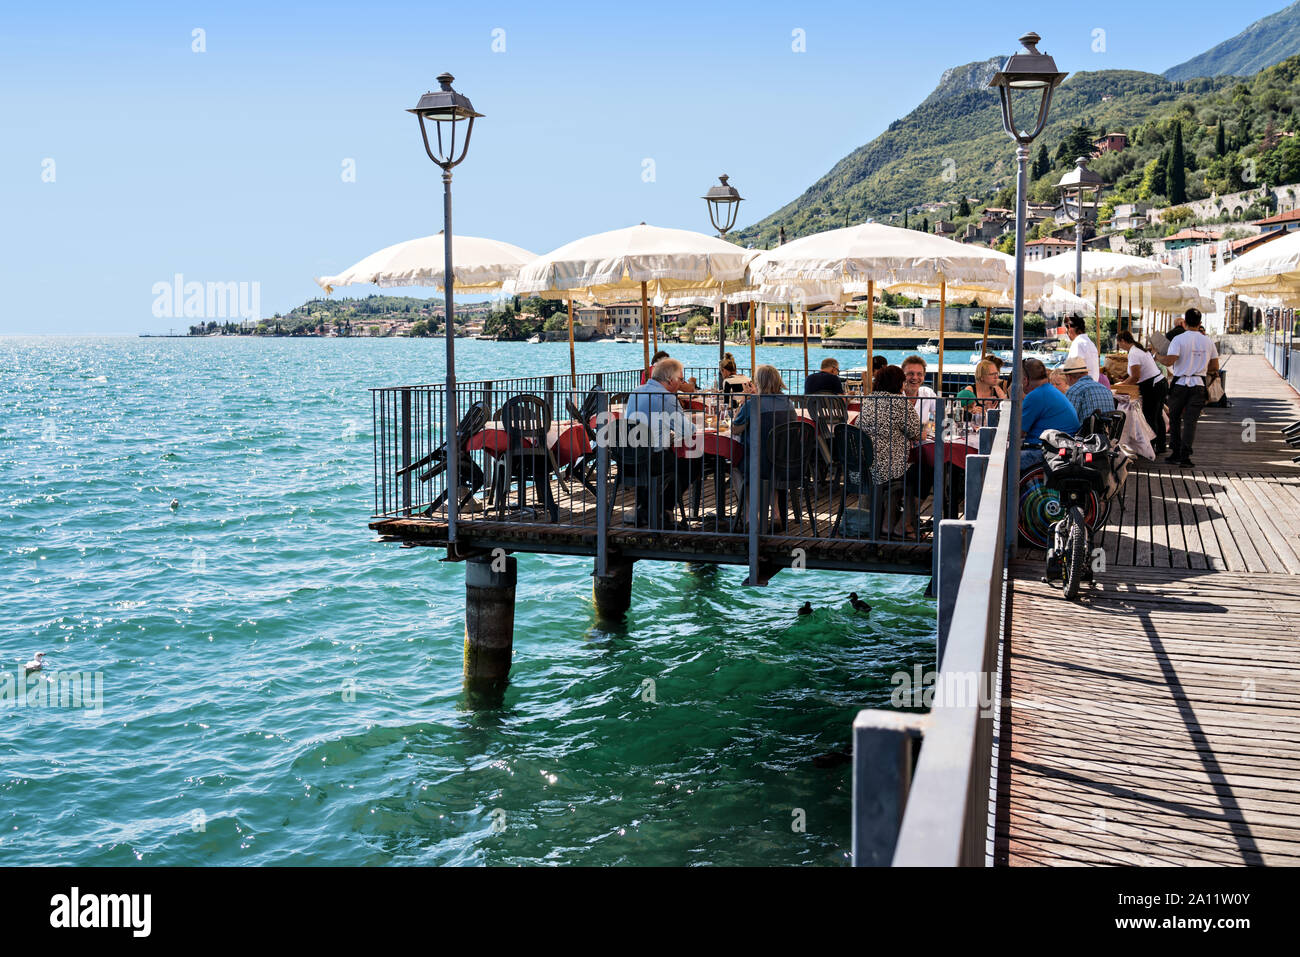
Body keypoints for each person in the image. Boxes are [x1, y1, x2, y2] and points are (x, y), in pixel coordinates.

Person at [624, 358, 702, 525]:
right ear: (670, 380)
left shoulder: (635, 392)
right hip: (652, 460)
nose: (681, 383)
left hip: (628, 458)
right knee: (695, 461)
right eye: (681, 380)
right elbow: (688, 431)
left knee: (664, 454)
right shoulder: (667, 398)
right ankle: (663, 508)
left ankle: (645, 508)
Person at [859, 365, 922, 535]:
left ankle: (888, 522)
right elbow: (916, 433)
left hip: (861, 469)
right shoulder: (900, 403)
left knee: (906, 472)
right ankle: (904, 523)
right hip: (886, 469)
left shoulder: (868, 401)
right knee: (923, 472)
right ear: (899, 383)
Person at [1158, 307, 1219, 468]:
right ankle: (1185, 456)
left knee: (1175, 419)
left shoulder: (1179, 340)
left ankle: (1176, 453)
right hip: (1198, 385)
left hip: (1179, 384)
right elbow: (1214, 367)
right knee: (1191, 422)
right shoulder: (1208, 341)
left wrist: (1158, 357)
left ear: (1184, 322)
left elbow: (1170, 361)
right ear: (1200, 323)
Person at [1019, 357, 1080, 473]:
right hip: (1063, 450)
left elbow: (1017, 433)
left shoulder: (1035, 396)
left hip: (1048, 453)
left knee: (1003, 463)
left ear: (1025, 380)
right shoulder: (1048, 391)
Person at [1114, 330, 1167, 454]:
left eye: (1119, 344)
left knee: (1150, 416)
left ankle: (1151, 447)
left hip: (1154, 386)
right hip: (1159, 384)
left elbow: (1135, 377)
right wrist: (1124, 381)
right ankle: (1160, 446)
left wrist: (1121, 385)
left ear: (1122, 341)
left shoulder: (1134, 353)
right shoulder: (1139, 350)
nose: (1120, 346)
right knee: (1157, 416)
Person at [1061, 355, 1116, 424]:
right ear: (1086, 373)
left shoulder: (1074, 390)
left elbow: (1067, 420)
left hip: (1085, 433)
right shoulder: (1105, 389)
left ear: (1068, 377)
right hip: (1107, 433)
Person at [900, 355, 938, 432]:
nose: (915, 377)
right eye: (910, 373)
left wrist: (927, 428)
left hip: (924, 442)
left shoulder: (928, 393)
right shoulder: (895, 396)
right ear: (902, 375)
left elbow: (942, 418)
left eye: (919, 374)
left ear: (924, 376)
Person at [1063, 314, 1100, 381]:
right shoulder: (1090, 343)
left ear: (1069, 327)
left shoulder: (1077, 344)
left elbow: (1073, 370)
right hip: (1092, 384)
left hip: (1082, 386)